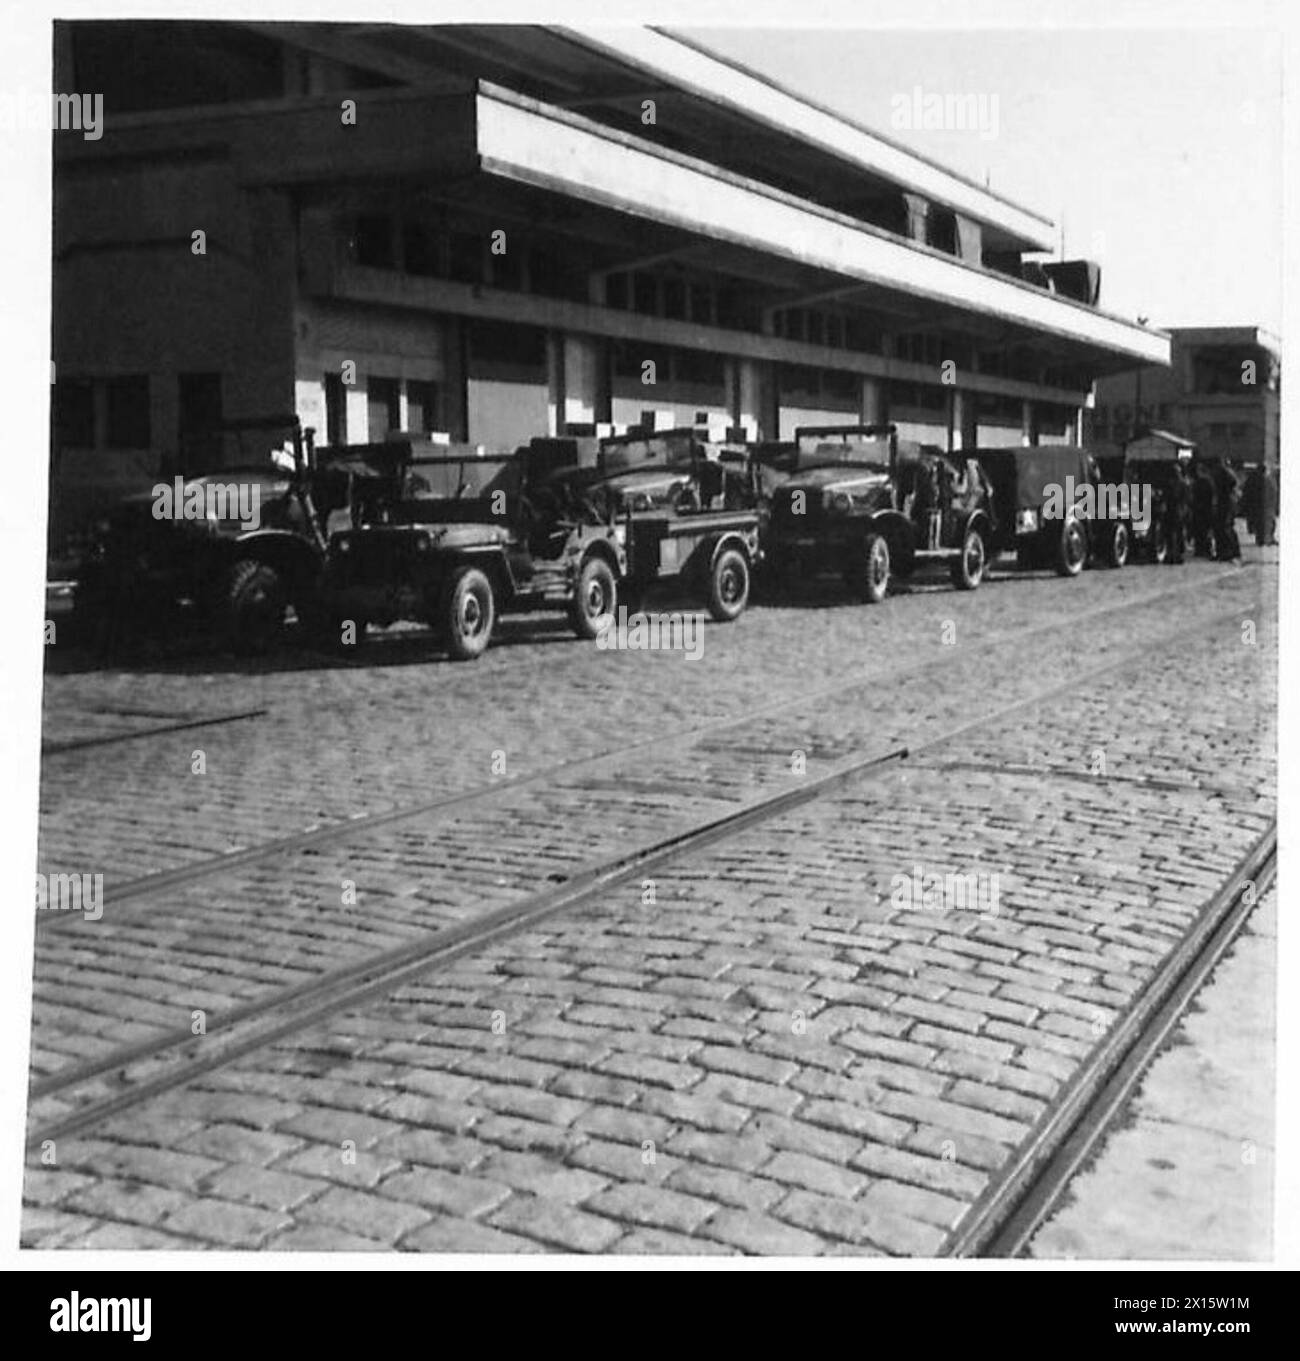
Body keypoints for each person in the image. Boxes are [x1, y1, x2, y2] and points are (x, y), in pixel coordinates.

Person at [1191, 462, 1218, 557]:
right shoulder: (1209, 482)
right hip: (1207, 509)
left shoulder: (1198, 483)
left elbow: (1193, 496)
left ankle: (1200, 549)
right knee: (1206, 531)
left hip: (1199, 510)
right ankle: (1206, 549)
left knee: (1200, 531)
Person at [1257, 465, 1278, 546]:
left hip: (1267, 504)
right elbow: (1272, 493)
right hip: (1268, 504)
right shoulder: (1268, 480)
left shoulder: (1267, 479)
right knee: (1269, 522)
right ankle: (1267, 538)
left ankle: (1265, 538)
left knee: (1268, 522)